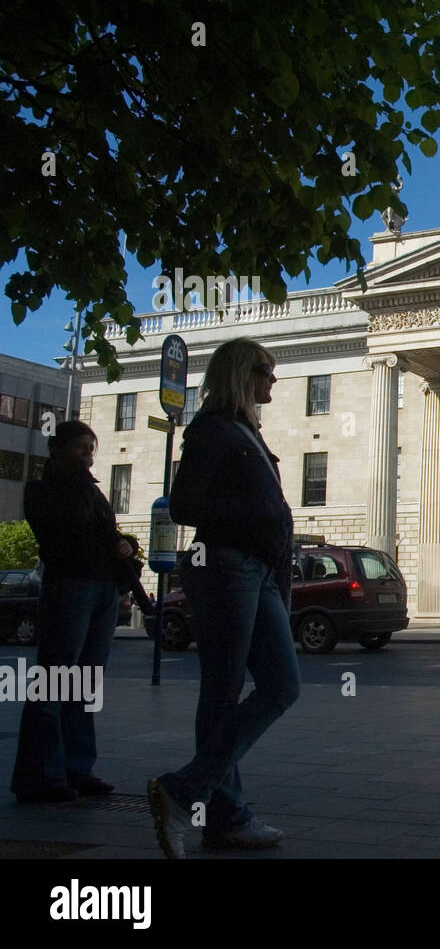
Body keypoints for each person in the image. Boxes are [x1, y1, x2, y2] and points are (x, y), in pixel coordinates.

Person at [147, 338, 300, 858]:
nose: (272, 382)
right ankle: (223, 815)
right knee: (223, 691)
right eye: (265, 371)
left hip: (258, 570)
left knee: (281, 685)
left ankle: (189, 792)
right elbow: (185, 502)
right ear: (240, 372)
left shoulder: (248, 432)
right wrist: (257, 515)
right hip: (226, 566)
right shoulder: (212, 429)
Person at [11, 420, 137, 803]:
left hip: (100, 587)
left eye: (90, 447)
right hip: (71, 585)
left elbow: (107, 535)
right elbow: (68, 532)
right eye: (81, 447)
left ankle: (77, 767)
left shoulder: (90, 491)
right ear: (59, 449)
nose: (88, 454)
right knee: (55, 679)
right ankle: (40, 775)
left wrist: (126, 545)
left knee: (84, 682)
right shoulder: (47, 490)